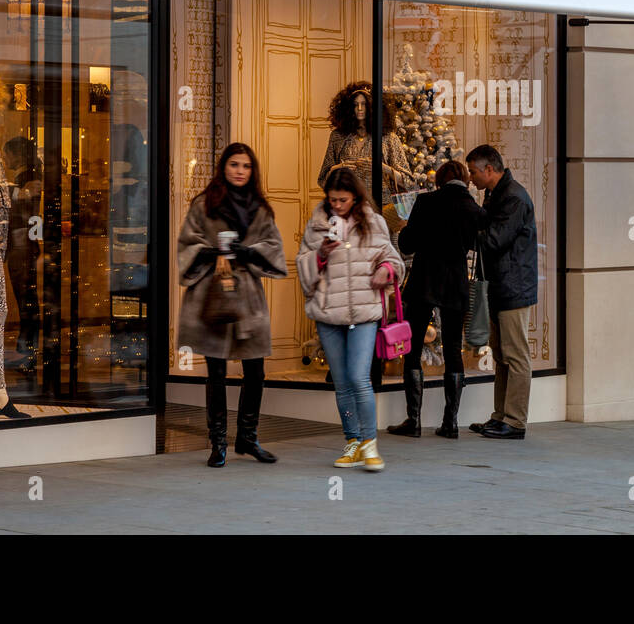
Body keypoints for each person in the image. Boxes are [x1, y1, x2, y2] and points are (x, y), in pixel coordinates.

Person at [177, 143, 288, 468]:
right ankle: (218, 442)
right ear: (223, 167)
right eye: (234, 164)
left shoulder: (261, 209)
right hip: (213, 293)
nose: (240, 171)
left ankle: (248, 438)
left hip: (248, 298)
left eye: (246, 166)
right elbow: (188, 241)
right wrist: (211, 253)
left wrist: (248, 252)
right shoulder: (204, 204)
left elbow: (273, 246)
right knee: (217, 371)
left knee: (255, 369)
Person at [298, 166, 404, 471]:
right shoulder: (317, 225)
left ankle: (370, 445)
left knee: (359, 378)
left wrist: (387, 270)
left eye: (343, 200)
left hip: (363, 313)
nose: (337, 205)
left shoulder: (374, 223)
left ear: (356, 197)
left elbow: (393, 260)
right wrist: (320, 254)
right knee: (342, 383)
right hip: (328, 314)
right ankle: (353, 442)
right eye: (332, 200)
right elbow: (303, 268)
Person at [388, 159, 484, 439]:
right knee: (453, 349)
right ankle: (450, 423)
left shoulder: (426, 202)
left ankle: (413, 420)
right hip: (455, 283)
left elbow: (407, 244)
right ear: (465, 180)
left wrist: (407, 226)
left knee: (413, 347)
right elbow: (477, 245)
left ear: (439, 180)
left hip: (424, 280)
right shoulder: (472, 209)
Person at [465, 144, 537, 440]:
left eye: (473, 172)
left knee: (516, 355)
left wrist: (466, 230)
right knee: (501, 355)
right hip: (500, 285)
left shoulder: (514, 198)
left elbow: (494, 240)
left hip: (513, 287)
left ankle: (516, 421)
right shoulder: (495, 194)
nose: (471, 178)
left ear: (489, 170)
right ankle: (500, 416)